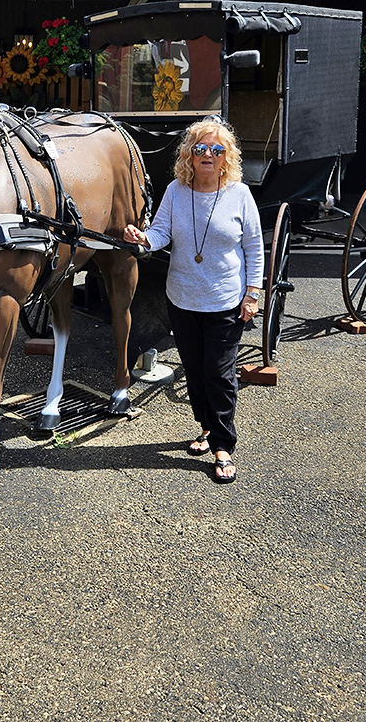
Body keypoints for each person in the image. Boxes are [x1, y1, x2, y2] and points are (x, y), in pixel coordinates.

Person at [124, 118, 264, 483]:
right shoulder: (176, 190)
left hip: (225, 302)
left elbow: (254, 248)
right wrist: (144, 240)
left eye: (216, 150)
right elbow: (161, 232)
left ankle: (222, 445)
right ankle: (205, 427)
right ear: (189, 153)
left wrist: (253, 294)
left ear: (226, 156)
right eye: (200, 148)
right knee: (196, 370)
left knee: (218, 374)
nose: (207, 155)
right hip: (182, 299)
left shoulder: (239, 194)